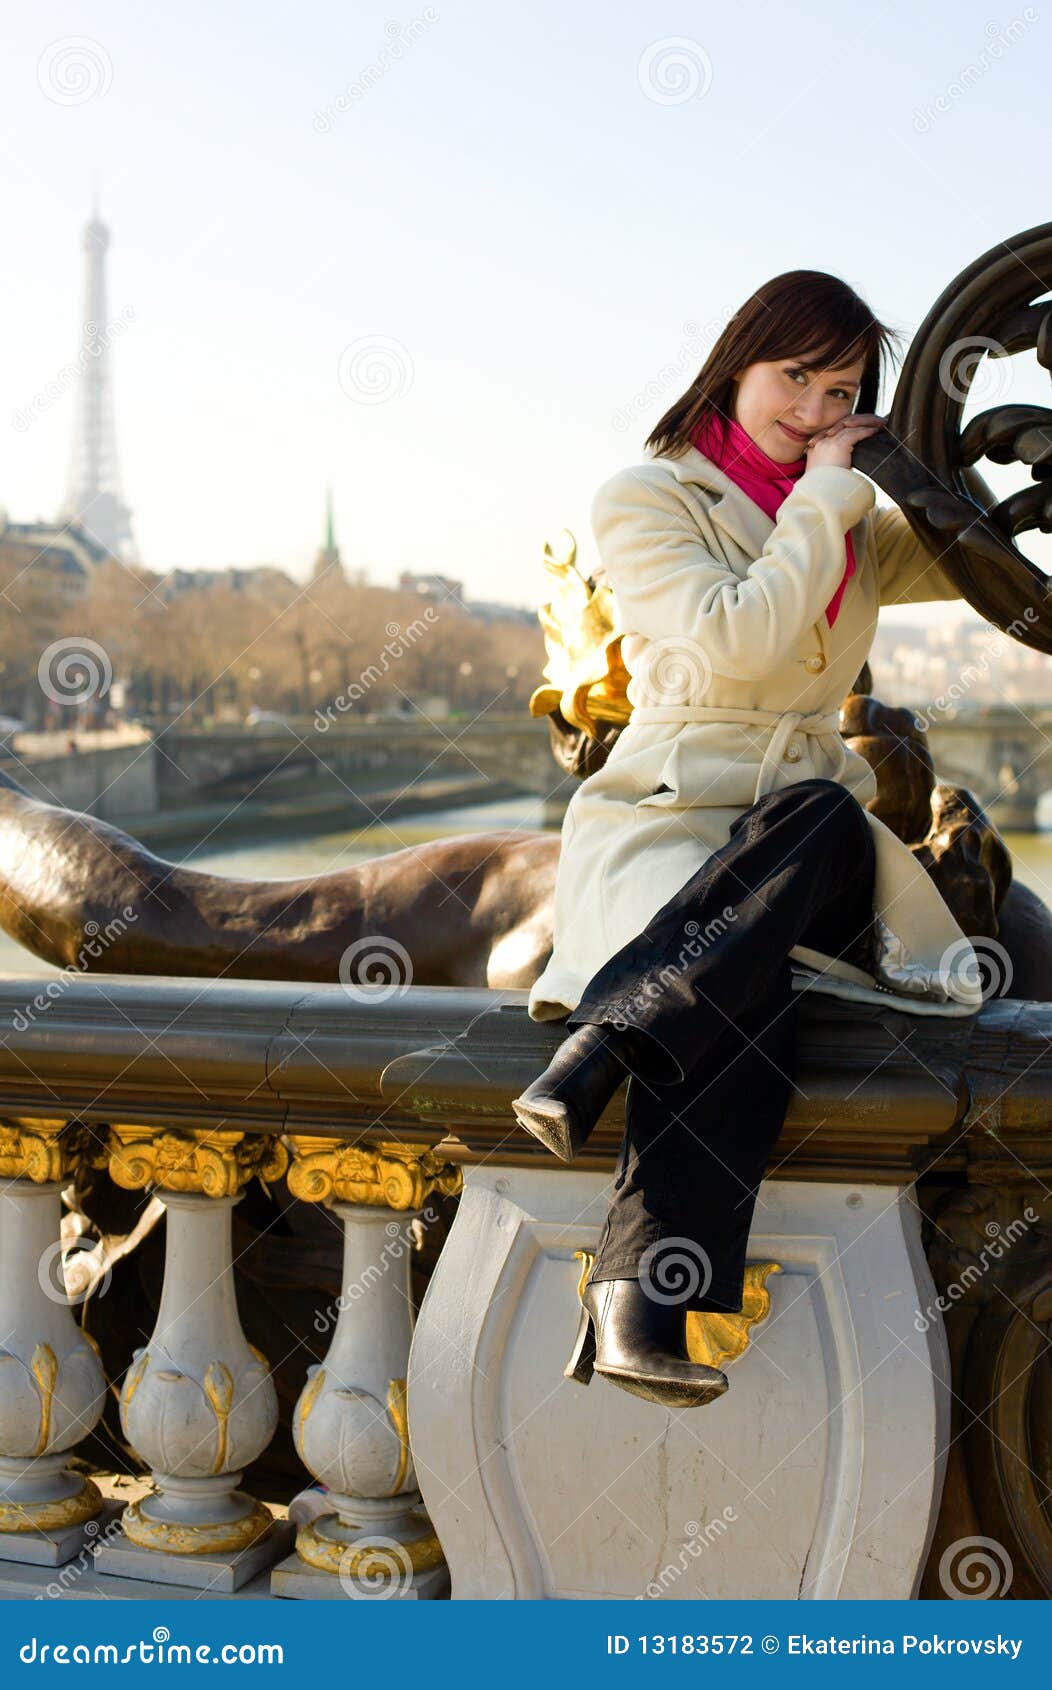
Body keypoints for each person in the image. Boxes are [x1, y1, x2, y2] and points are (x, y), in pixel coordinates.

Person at [512, 269, 984, 1412]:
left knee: (818, 818)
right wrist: (828, 497)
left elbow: (982, 558)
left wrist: (945, 471)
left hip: (801, 832)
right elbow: (740, 642)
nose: (816, 410)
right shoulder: (645, 496)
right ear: (736, 362)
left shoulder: (849, 511)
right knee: (746, 995)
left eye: (844, 391)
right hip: (674, 816)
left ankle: (608, 1039)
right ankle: (636, 1307)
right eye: (794, 378)